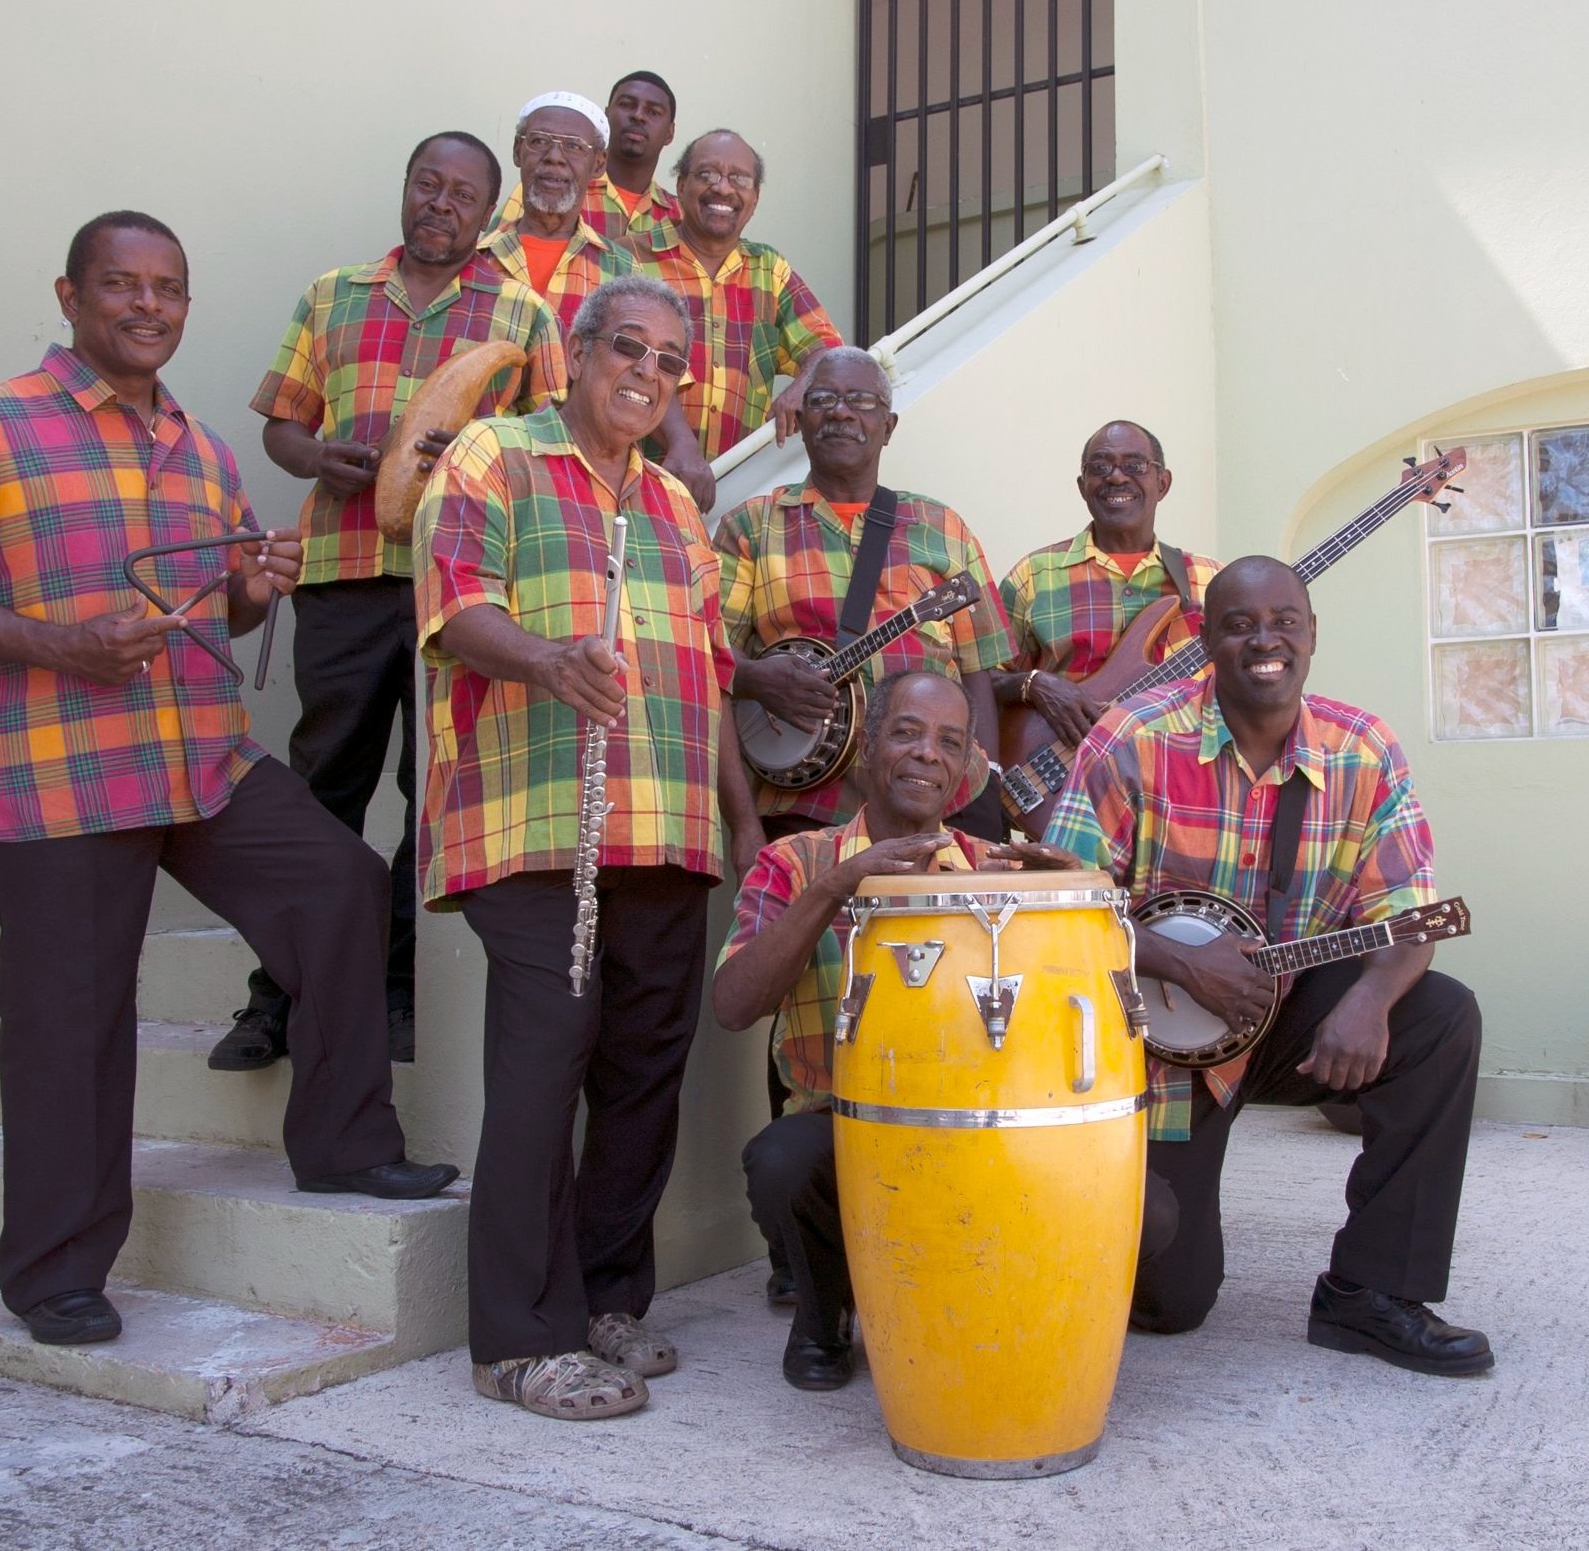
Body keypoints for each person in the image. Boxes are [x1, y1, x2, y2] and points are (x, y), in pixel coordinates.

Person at [0, 212, 458, 1349]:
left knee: (336, 883)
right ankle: (54, 1270)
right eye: (123, 285)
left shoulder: (198, 446)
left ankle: (342, 1144)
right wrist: (60, 644)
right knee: (66, 1022)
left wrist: (256, 581)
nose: (149, 306)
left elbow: (219, 602)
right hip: (58, 774)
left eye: (170, 289)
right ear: (70, 295)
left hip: (198, 757)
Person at [414, 274, 764, 1421]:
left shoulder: (670, 503)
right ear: (576, 350)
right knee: (540, 1066)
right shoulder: (493, 458)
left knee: (641, 1073)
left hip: (666, 824)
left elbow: (707, 678)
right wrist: (544, 660)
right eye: (629, 347)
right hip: (535, 821)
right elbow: (453, 608)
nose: (648, 374)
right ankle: (516, 1338)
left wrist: (745, 824)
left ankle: (609, 1297)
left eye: (671, 362)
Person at [1042, 556, 1493, 1376]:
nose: (1265, 640)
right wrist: (1181, 964)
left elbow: (1408, 912)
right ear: (1208, 639)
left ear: (1312, 634)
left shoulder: (1363, 750)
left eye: (1285, 621)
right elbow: (1059, 911)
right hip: (1157, 1044)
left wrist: (1372, 1000)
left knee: (1440, 1016)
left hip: (1287, 1017)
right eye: (1240, 623)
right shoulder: (1135, 739)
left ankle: (1372, 1294)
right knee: (1168, 1301)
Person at [219, 132, 568, 1073]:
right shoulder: (332, 297)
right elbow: (286, 427)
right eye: (428, 184)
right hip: (341, 576)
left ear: (488, 210)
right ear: (405, 190)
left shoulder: (524, 315)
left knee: (432, 796)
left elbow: (552, 443)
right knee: (322, 787)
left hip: (462, 593)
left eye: (463, 193)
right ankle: (276, 1004)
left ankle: (398, 996)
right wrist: (317, 458)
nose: (441, 204)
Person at [713, 671, 1074, 1389]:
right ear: (869, 745)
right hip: (843, 1123)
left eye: (949, 741)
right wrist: (833, 888)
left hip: (971, 1131)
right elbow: (732, 1005)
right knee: (783, 1157)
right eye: (907, 732)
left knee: (1151, 1221)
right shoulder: (795, 863)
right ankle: (823, 1310)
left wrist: (1069, 898)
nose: (926, 755)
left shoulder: (993, 871)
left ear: (966, 766)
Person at [717, 345, 1012, 845]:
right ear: (802, 419)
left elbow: (976, 672)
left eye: (860, 400)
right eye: (823, 398)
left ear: (889, 427)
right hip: (809, 800)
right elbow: (710, 661)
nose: (840, 411)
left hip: (947, 794)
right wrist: (754, 680)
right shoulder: (752, 526)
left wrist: (984, 777)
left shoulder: (942, 527)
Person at [633, 128, 844, 511]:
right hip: (640, 484)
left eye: (740, 179)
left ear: (755, 199)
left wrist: (803, 384)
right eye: (707, 174)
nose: (724, 189)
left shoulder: (769, 269)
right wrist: (681, 443)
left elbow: (827, 348)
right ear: (680, 186)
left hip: (739, 494)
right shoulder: (630, 258)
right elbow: (631, 361)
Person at [994, 420, 1218, 751]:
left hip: (1179, 783)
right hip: (1063, 781)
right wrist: (1034, 683)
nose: (1116, 477)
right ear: (1083, 485)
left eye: (1134, 465)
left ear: (1163, 483)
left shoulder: (1212, 581)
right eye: (1100, 466)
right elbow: (982, 681)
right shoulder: (1033, 574)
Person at [479, 92, 636, 336]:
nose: (554, 157)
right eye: (540, 141)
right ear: (518, 150)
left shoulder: (623, 271)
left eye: (574, 146)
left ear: (598, 163)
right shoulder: (476, 259)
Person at [498, 70, 681, 241]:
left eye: (653, 112)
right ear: (606, 116)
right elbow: (491, 260)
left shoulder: (680, 215)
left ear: (670, 133)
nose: (638, 116)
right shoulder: (545, 189)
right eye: (627, 105)